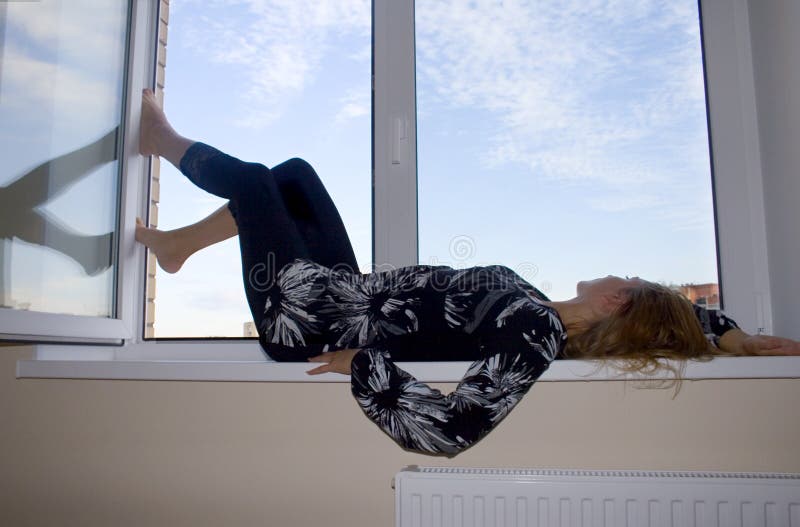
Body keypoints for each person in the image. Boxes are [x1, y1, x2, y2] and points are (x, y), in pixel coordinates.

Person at [136, 89, 800, 457]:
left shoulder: (534, 331)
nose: (618, 273)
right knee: (296, 177)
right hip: (346, 291)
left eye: (627, 279)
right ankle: (177, 248)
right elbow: (680, 324)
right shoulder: (537, 304)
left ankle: (160, 140)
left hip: (307, 319)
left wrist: (365, 366)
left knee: (256, 182)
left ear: (616, 300)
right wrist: (734, 337)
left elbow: (453, 427)